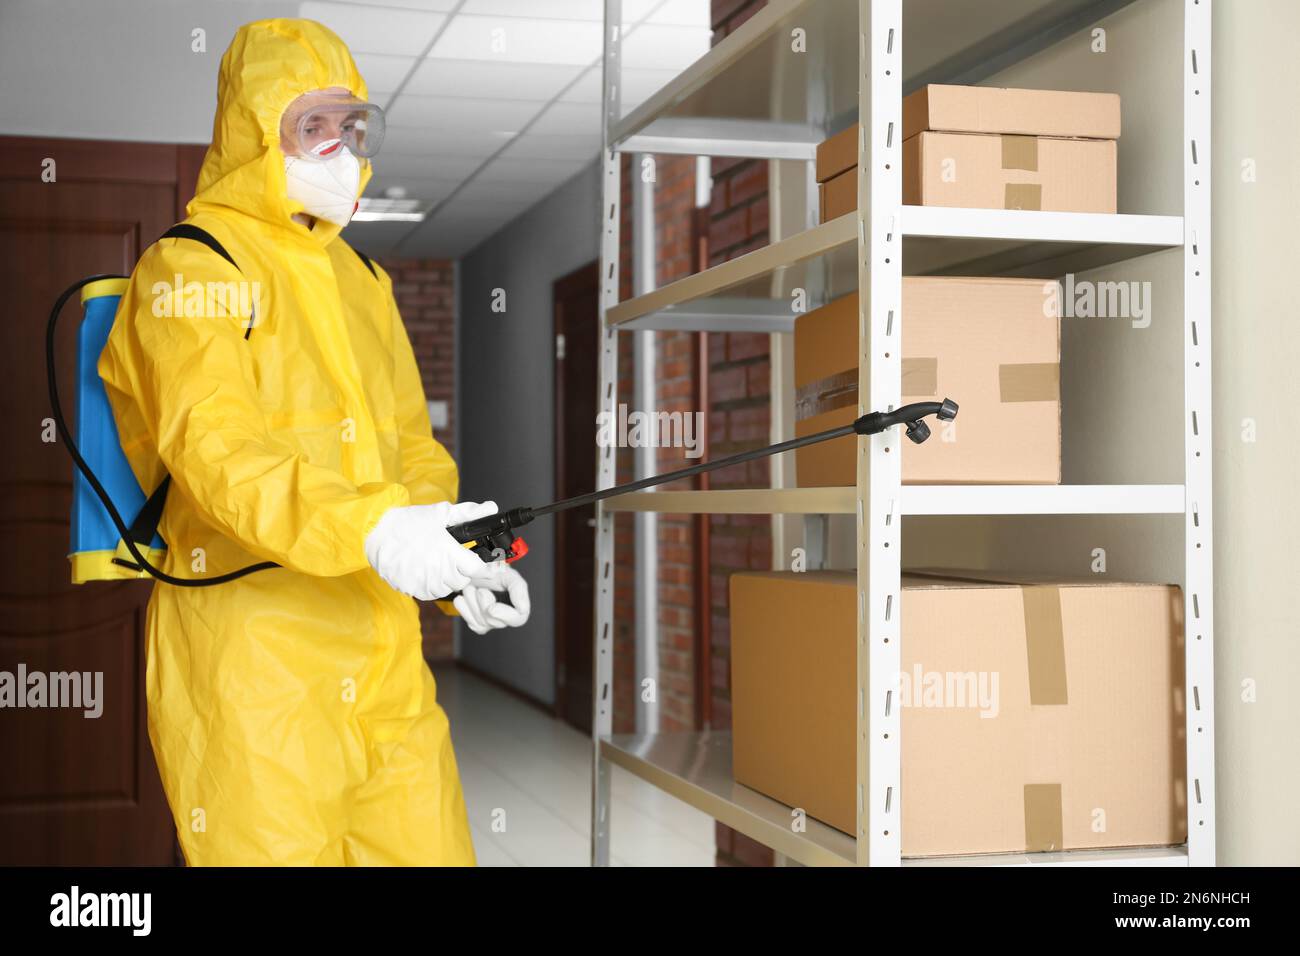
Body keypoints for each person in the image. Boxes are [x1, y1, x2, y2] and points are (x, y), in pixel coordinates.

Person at [98, 17, 528, 865]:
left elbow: (411, 453)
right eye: (312, 126)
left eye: (352, 127)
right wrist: (371, 530)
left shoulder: (366, 281)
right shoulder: (193, 268)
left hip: (384, 667)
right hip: (255, 674)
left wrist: (452, 561)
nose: (339, 148)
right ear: (256, 130)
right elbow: (217, 455)